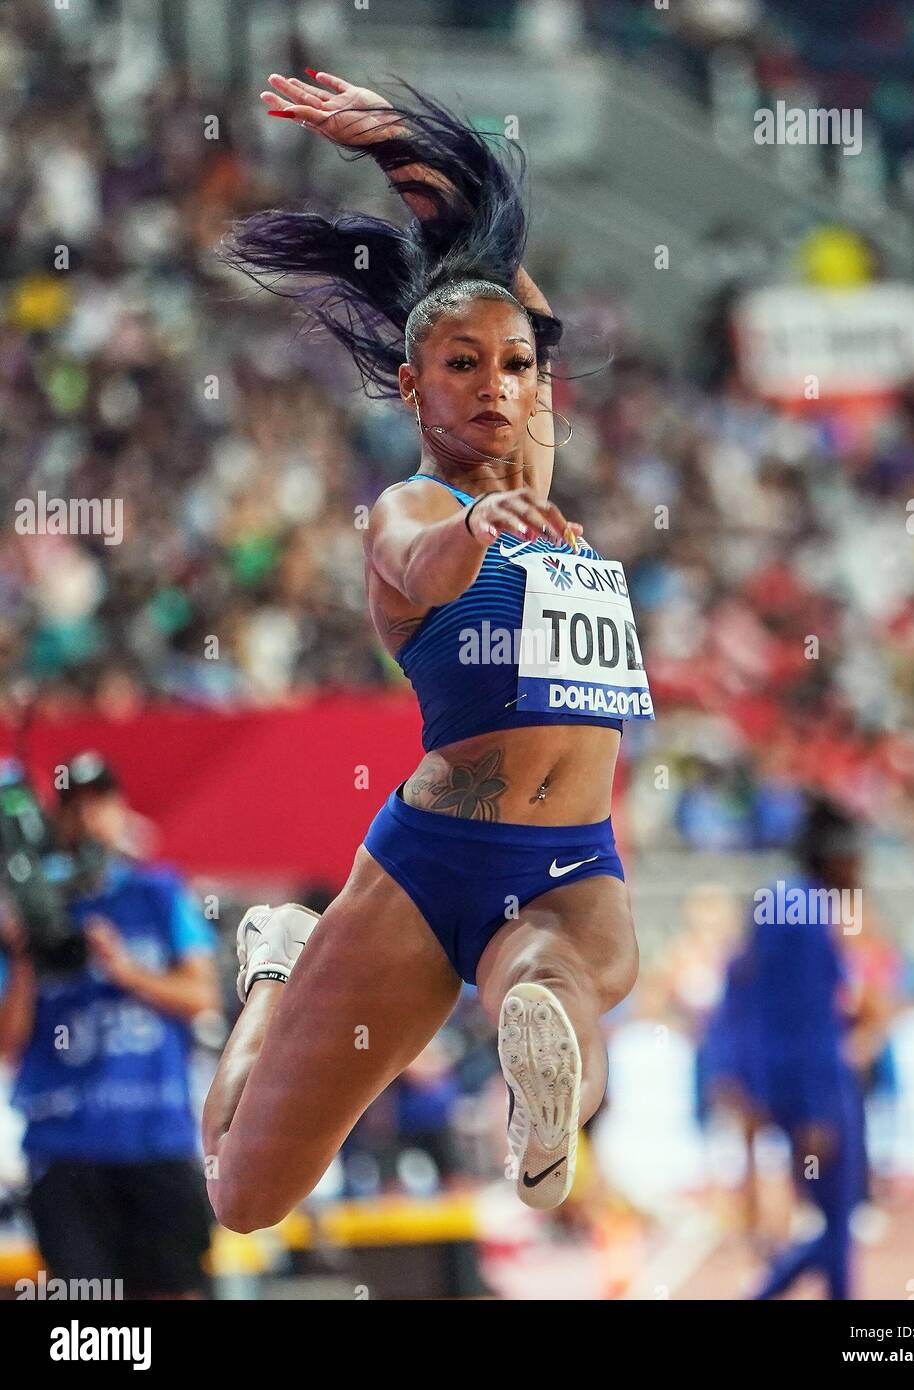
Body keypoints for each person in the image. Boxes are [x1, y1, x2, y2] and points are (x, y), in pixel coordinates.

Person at [202, 69, 652, 1226]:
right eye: (463, 366)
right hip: (424, 866)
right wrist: (475, 528)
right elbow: (423, 565)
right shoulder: (411, 509)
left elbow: (491, 272)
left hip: (570, 860)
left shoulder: (536, 462)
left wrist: (397, 140)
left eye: (516, 366)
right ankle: (274, 968)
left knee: (558, 985)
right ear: (412, 385)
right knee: (244, 1190)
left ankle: (544, 1118)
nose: (497, 387)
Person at [0, 752, 219, 1297]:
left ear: (121, 809)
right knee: (89, 1311)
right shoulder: (33, 908)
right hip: (66, 1149)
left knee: (173, 1289)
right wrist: (26, 954)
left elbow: (202, 996)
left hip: (155, 1138)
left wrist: (126, 971)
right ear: (59, 817)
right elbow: (8, 1044)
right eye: (76, 805)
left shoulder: (156, 893)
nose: (91, 817)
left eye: (102, 802)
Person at [702, 797, 865, 1299]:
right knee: (838, 1220)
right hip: (815, 1086)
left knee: (837, 1220)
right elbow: (804, 1016)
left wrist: (735, 1072)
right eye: (856, 857)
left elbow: (742, 989)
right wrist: (815, 1108)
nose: (862, 871)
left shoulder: (786, 899)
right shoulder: (805, 909)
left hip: (793, 1080)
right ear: (833, 855)